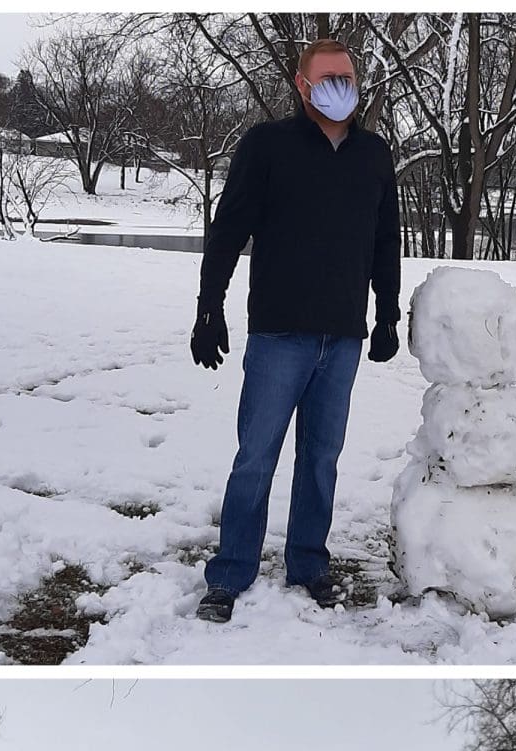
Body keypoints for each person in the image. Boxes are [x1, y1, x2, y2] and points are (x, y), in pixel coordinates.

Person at [191, 38, 401, 624]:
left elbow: (386, 238)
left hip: (343, 335)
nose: (340, 88)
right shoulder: (268, 145)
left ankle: (309, 564)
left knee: (321, 459)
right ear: (302, 84)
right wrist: (209, 307)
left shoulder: (373, 154)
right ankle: (230, 573)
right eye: (328, 78)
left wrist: (387, 311)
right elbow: (229, 229)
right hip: (279, 334)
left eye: (347, 78)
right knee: (256, 457)